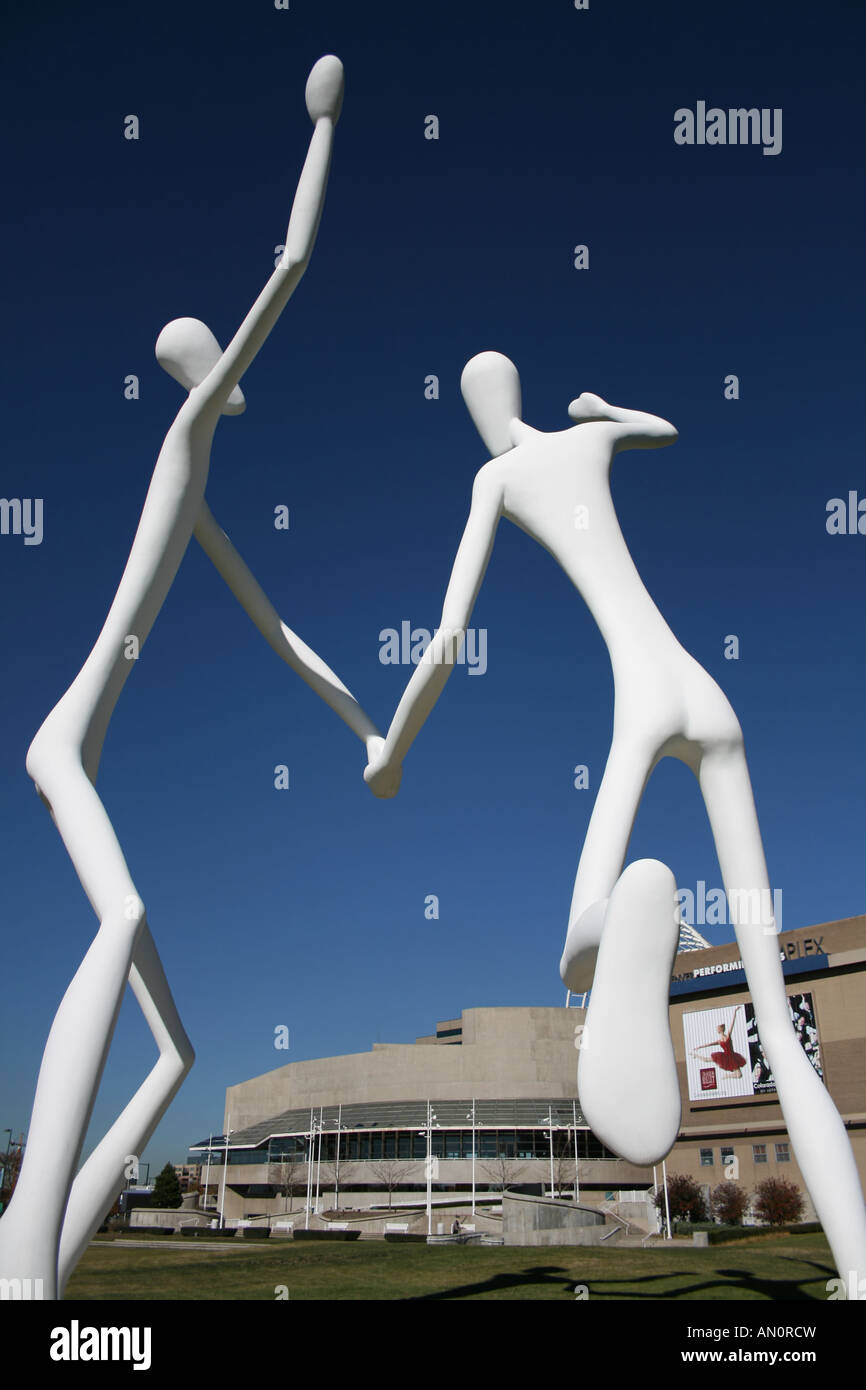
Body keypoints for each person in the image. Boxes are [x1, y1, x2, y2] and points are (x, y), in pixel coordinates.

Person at [363, 350, 866, 1291]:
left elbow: (446, 633)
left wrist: (392, 750)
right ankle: (862, 1273)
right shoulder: (588, 436)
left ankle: (634, 912)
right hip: (711, 698)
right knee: (770, 1005)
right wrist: (603, 405)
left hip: (642, 703)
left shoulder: (497, 474)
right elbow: (665, 429)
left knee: (570, 950)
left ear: (480, 412)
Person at [0, 56, 379, 1300]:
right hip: (64, 744)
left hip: (79, 755)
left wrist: (359, 718)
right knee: (114, 922)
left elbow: (276, 635)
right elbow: (292, 269)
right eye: (211, 356)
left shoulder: (202, 498)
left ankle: (41, 1263)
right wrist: (320, 131)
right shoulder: (183, 434)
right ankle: (18, 1252)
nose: (226, 365)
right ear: (196, 368)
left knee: (177, 1045)